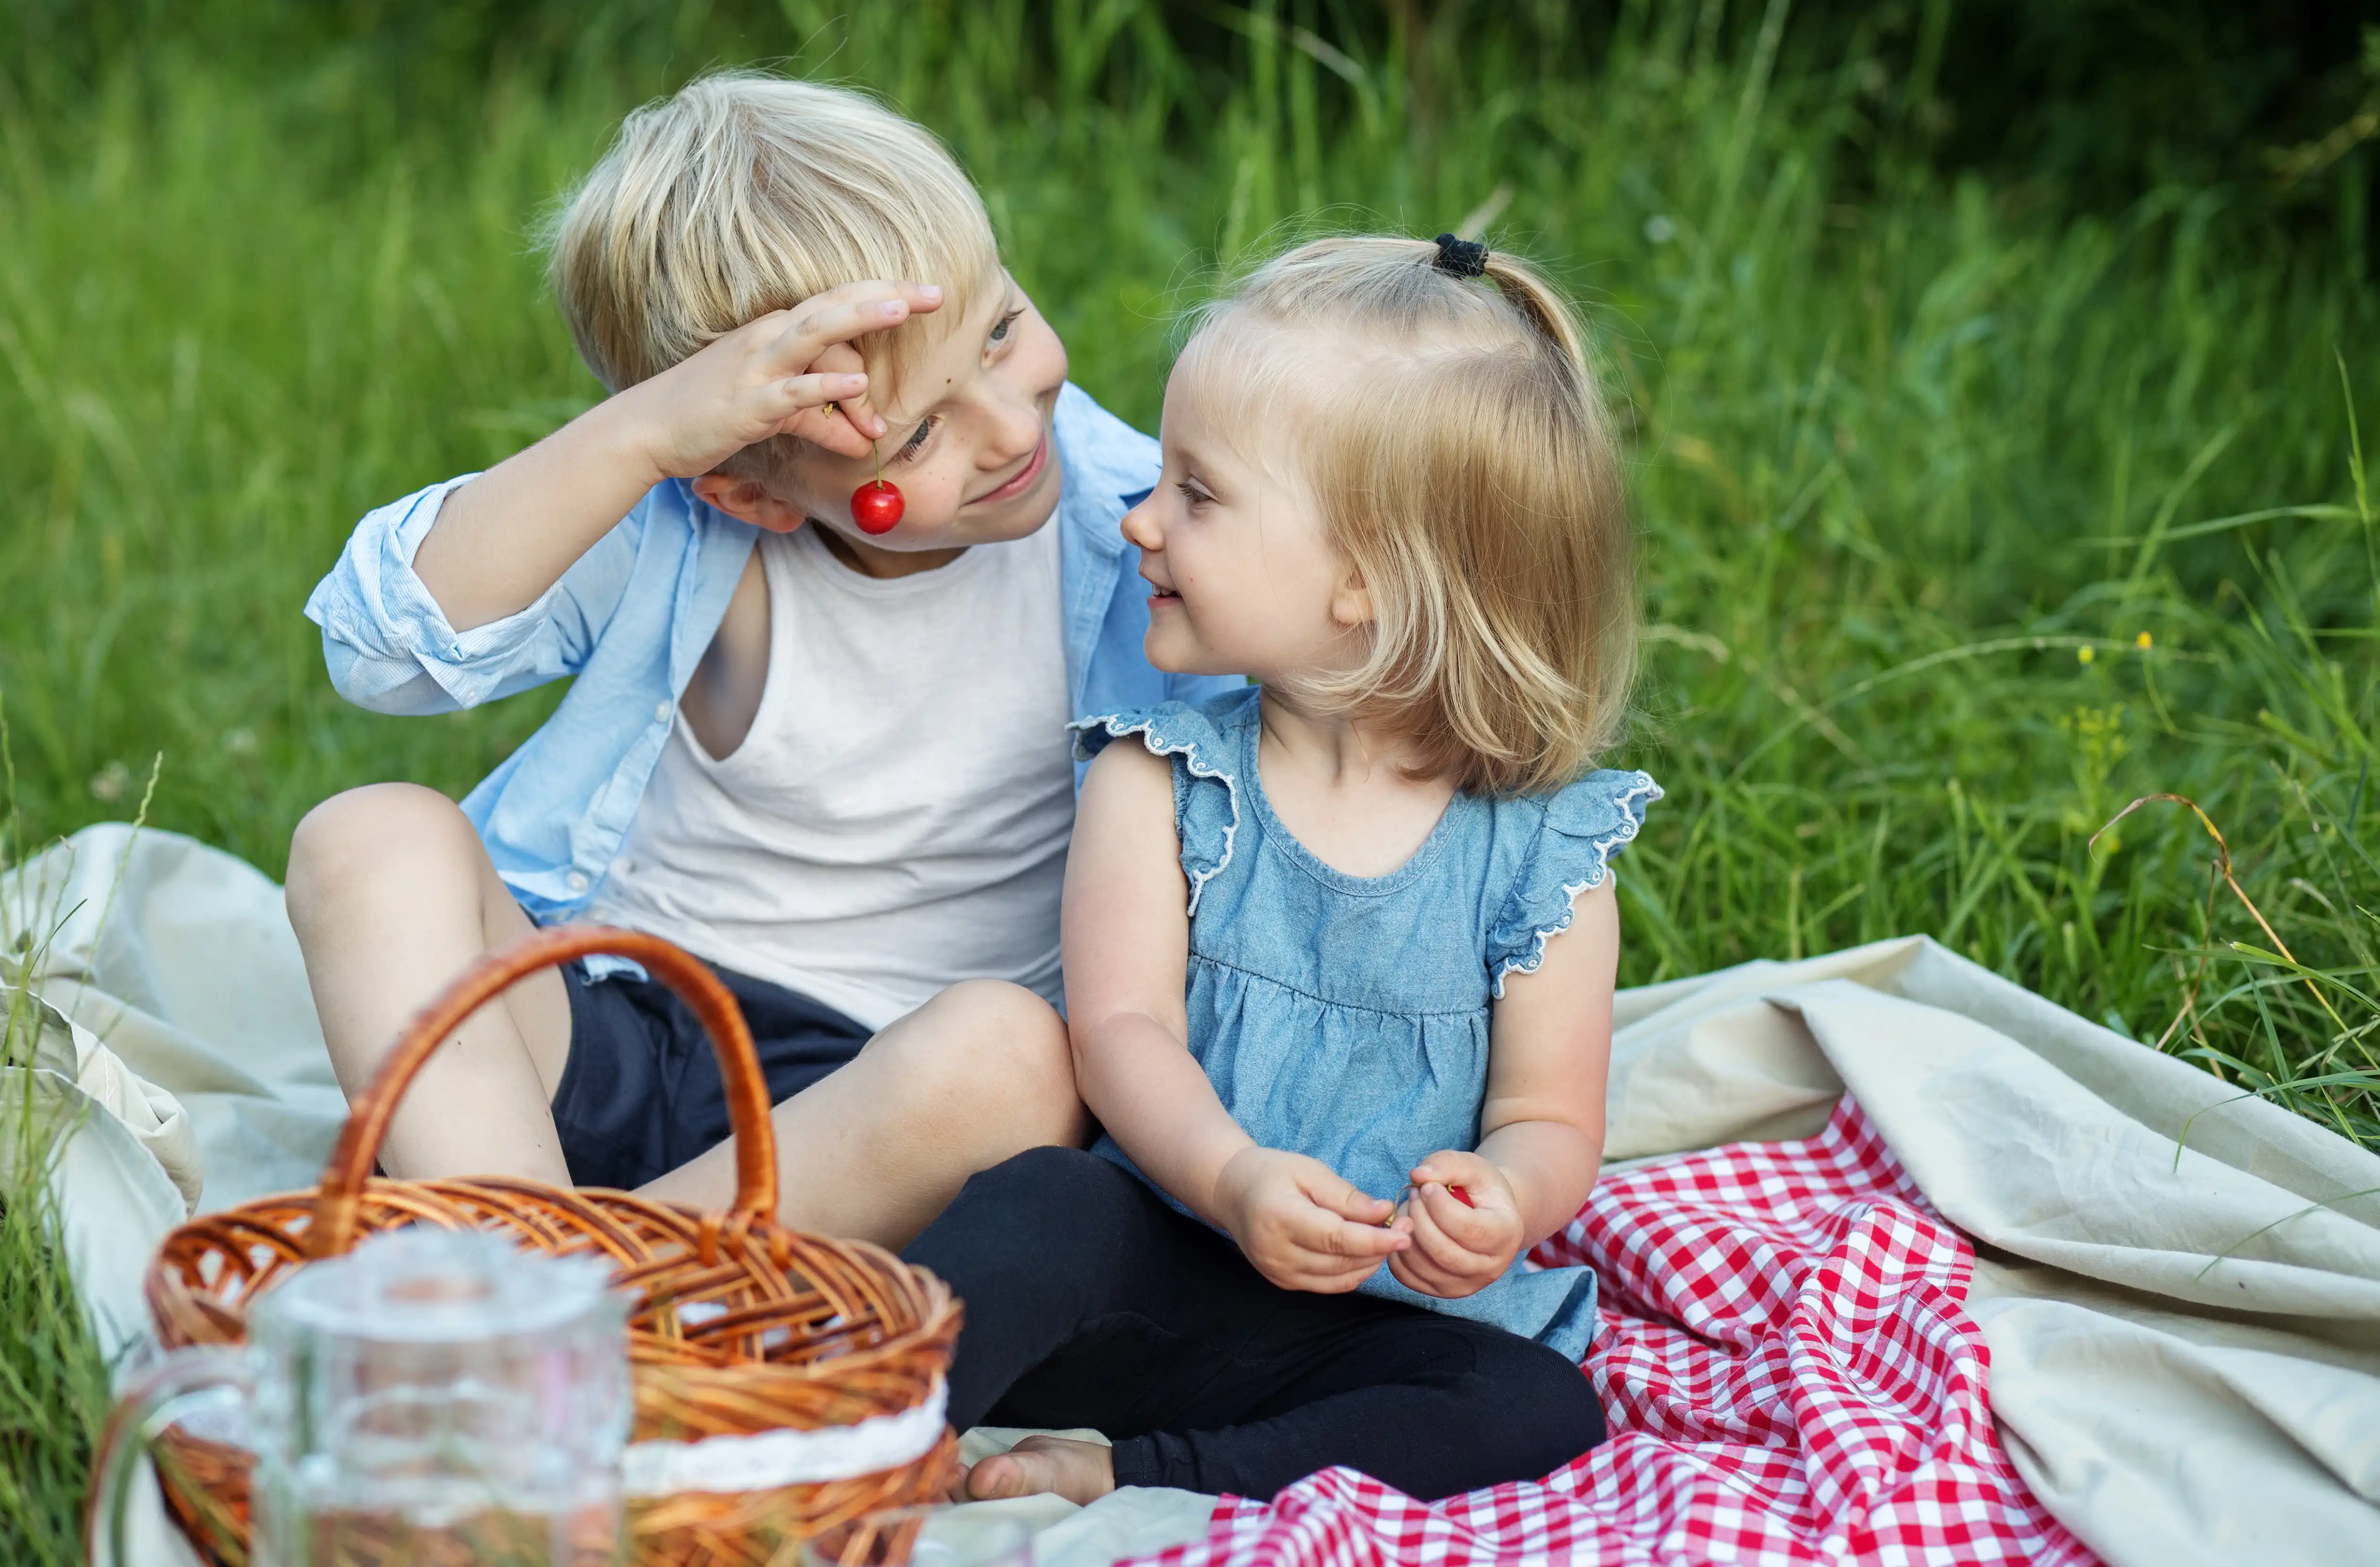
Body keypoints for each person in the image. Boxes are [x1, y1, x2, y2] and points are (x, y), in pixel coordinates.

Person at [287, 72, 1232, 1245]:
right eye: (921, 432)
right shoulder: (688, 524)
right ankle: (531, 1262)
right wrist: (637, 438)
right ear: (746, 483)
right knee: (366, 838)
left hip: (877, 1119)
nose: (1012, 426)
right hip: (603, 1035)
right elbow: (378, 652)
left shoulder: (1137, 526)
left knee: (1019, 1057)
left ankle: (554, 1288)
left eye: (999, 330)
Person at [904, 233, 1658, 1502]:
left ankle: (1127, 1472)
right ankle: (848, 1431)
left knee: (1537, 1404)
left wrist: (1500, 1200)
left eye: (1197, 492)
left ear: (1363, 576)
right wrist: (1230, 1175)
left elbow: (1549, 1114)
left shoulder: (1543, 853)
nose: (1139, 519)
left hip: (1351, 1330)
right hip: (1152, 1263)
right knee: (1042, 1207)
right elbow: (1121, 1030)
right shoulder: (1161, 779)